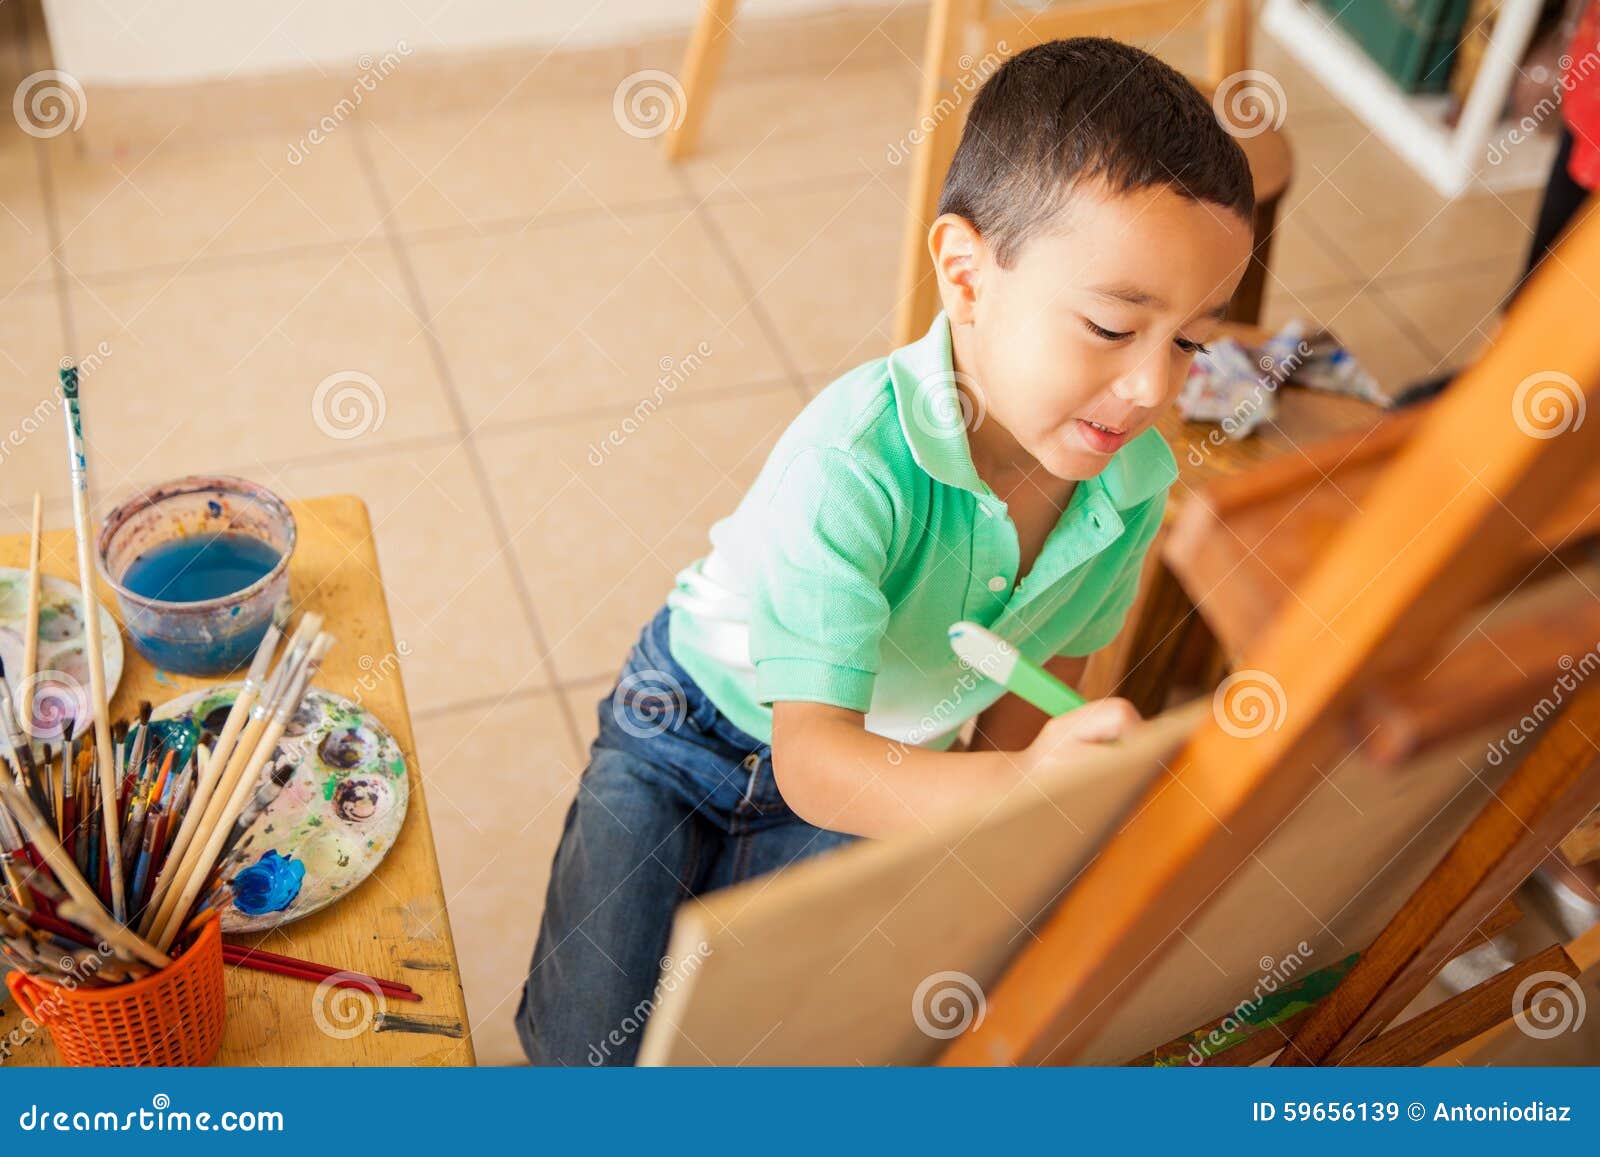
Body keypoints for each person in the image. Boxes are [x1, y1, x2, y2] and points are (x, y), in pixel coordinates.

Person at [518, 37, 1256, 1066]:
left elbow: (1018, 719)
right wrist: (1022, 792)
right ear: (963, 273)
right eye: (1107, 325)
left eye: (1188, 341)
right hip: (685, 731)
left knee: (753, 1036)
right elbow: (815, 758)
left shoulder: (1129, 484)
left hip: (895, 759)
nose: (1152, 390)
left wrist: (1032, 804)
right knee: (584, 1047)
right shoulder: (851, 457)